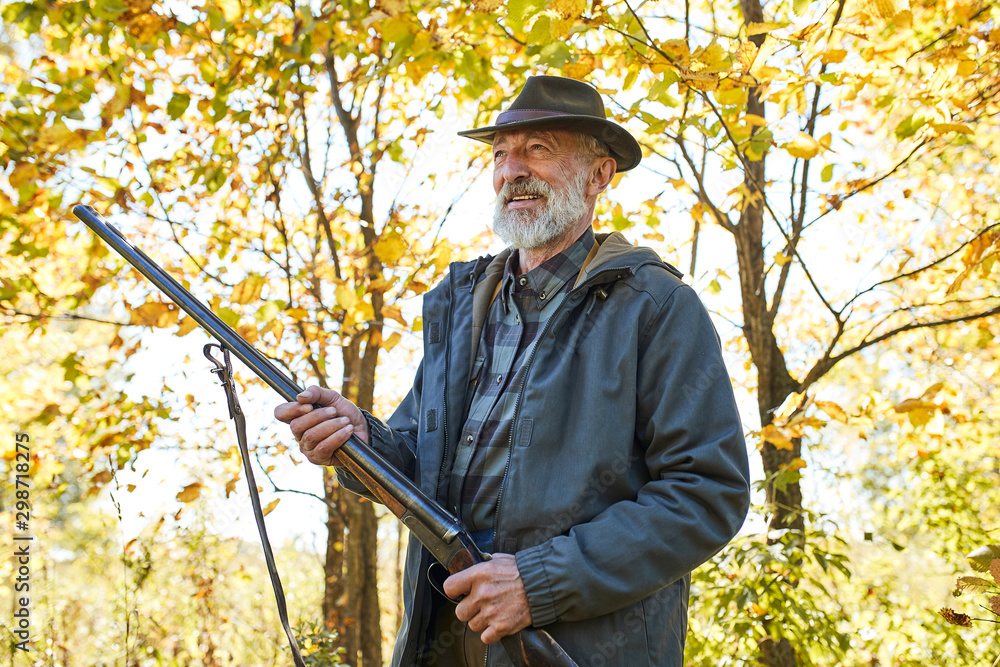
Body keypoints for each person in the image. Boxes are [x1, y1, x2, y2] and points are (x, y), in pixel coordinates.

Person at [275, 75, 751, 667]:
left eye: (538, 150)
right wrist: (364, 441)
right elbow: (422, 465)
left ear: (600, 175)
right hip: (444, 647)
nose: (511, 170)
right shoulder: (462, 306)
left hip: (585, 649)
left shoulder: (654, 307)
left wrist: (540, 581)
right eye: (501, 154)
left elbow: (707, 492)